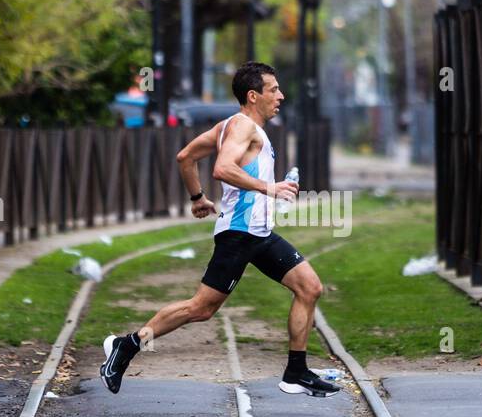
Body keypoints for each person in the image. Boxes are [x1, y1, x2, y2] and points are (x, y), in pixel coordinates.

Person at [100, 61, 340, 398]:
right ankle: (127, 345)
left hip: (259, 233)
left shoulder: (227, 126)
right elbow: (223, 168)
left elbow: (185, 157)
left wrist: (197, 198)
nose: (281, 96)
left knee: (310, 288)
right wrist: (267, 188)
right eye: (274, 90)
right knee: (201, 308)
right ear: (253, 95)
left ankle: (295, 372)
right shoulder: (243, 127)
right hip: (240, 234)